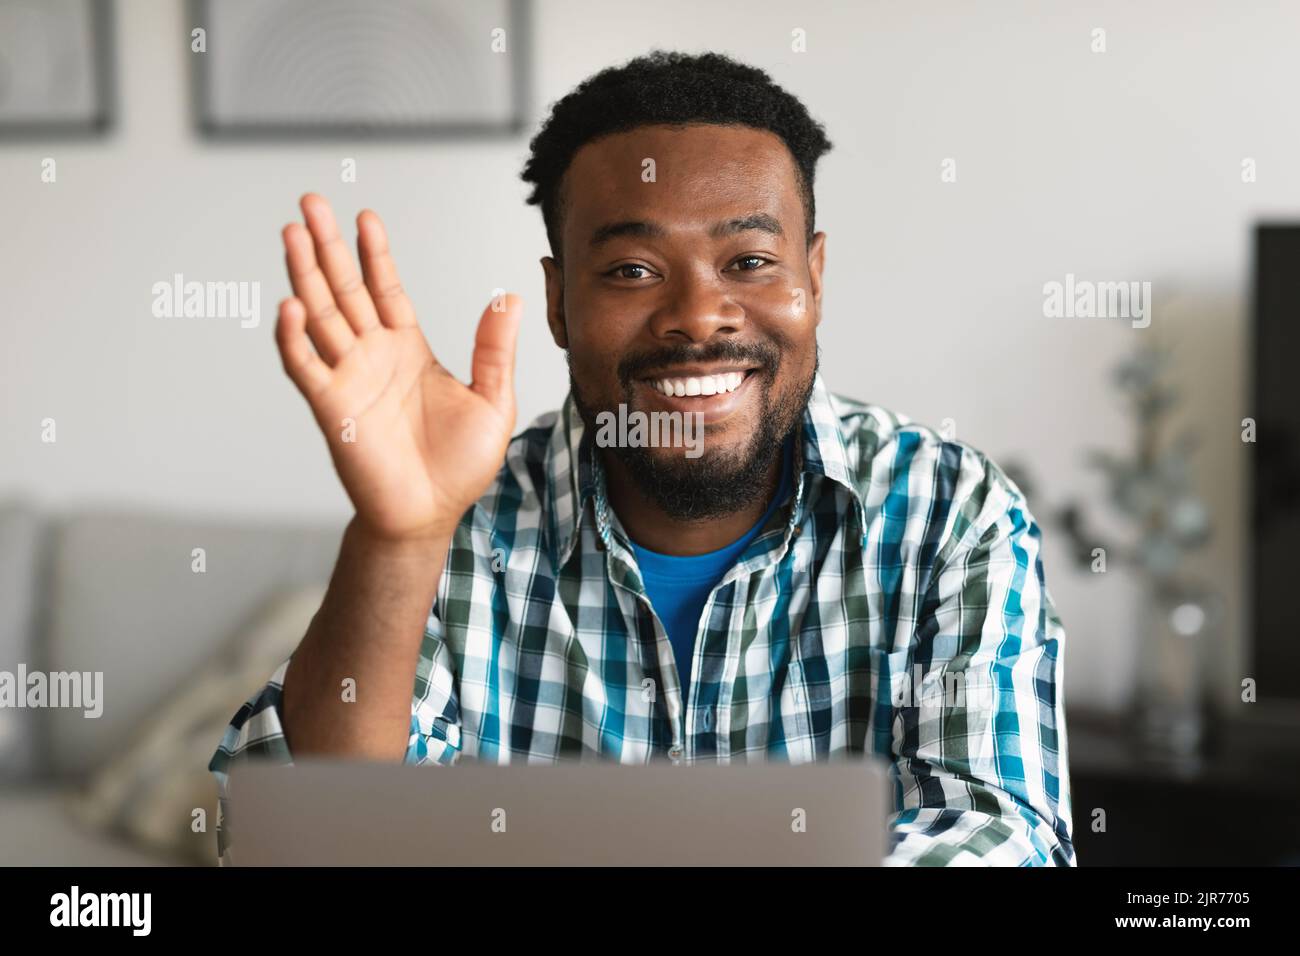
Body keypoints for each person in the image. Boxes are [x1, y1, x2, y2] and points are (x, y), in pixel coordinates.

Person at [210, 50, 1075, 866]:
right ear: (558, 302)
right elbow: (294, 841)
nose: (700, 317)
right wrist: (398, 539)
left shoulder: (950, 513)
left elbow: (998, 835)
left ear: (814, 277)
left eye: (749, 259)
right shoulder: (464, 525)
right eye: (631, 269)